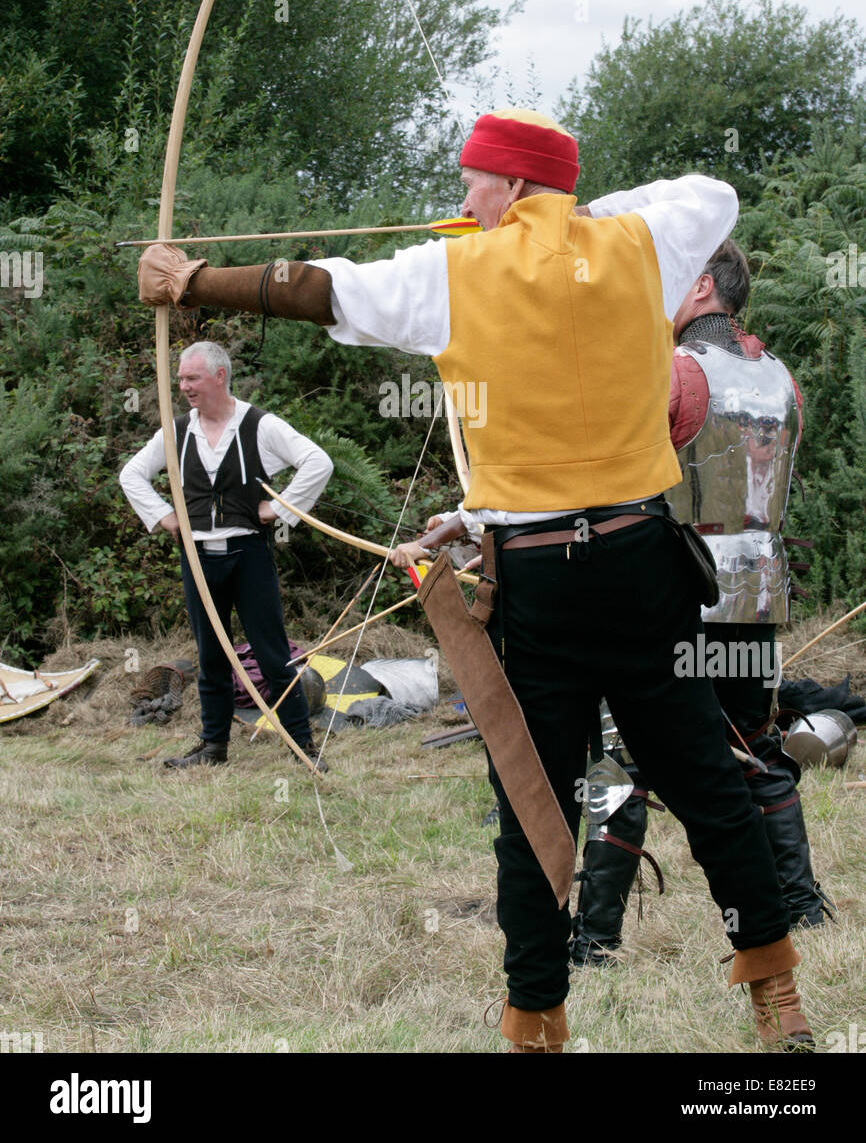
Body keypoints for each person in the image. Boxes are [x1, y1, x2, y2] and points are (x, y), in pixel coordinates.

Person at [136, 108, 813, 1052]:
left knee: (531, 806)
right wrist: (565, 219)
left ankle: (536, 1026)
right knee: (706, 780)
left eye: (476, 183)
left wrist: (197, 282)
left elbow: (322, 291)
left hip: (542, 586)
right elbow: (713, 194)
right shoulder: (645, 246)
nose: (462, 200)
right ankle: (777, 998)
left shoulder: (451, 274)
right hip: (642, 566)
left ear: (515, 187)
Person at [571, 241, 833, 969]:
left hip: (675, 593)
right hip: (757, 587)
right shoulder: (779, 378)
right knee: (756, 749)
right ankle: (802, 908)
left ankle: (593, 940)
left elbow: (614, 475)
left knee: (620, 764)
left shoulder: (677, 372)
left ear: (703, 285)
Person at [119, 340, 333, 771]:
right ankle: (212, 747)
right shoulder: (175, 430)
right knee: (211, 657)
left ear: (220, 376)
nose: (183, 387)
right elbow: (132, 474)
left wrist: (278, 509)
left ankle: (302, 747)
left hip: (248, 553)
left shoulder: (259, 425)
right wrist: (164, 516)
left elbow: (318, 462)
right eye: (180, 379)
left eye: (191, 378)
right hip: (198, 558)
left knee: (273, 656)